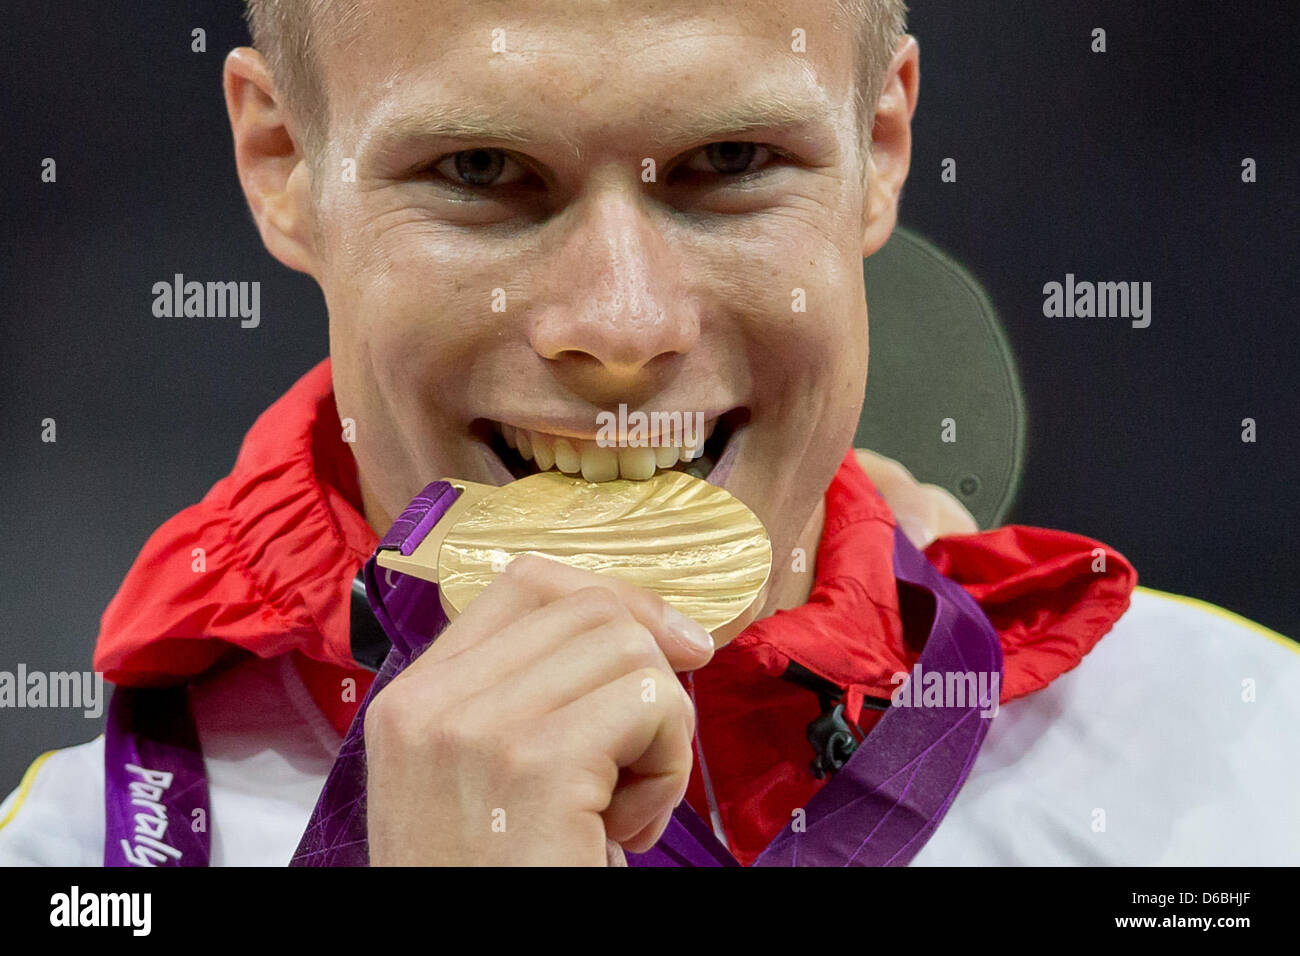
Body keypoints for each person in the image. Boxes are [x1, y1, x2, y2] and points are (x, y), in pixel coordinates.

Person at [2, 0, 1296, 866]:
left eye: (730, 160)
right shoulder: (78, 853)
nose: (620, 327)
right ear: (284, 162)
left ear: (883, 144)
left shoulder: (1239, 772)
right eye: (480, 173)